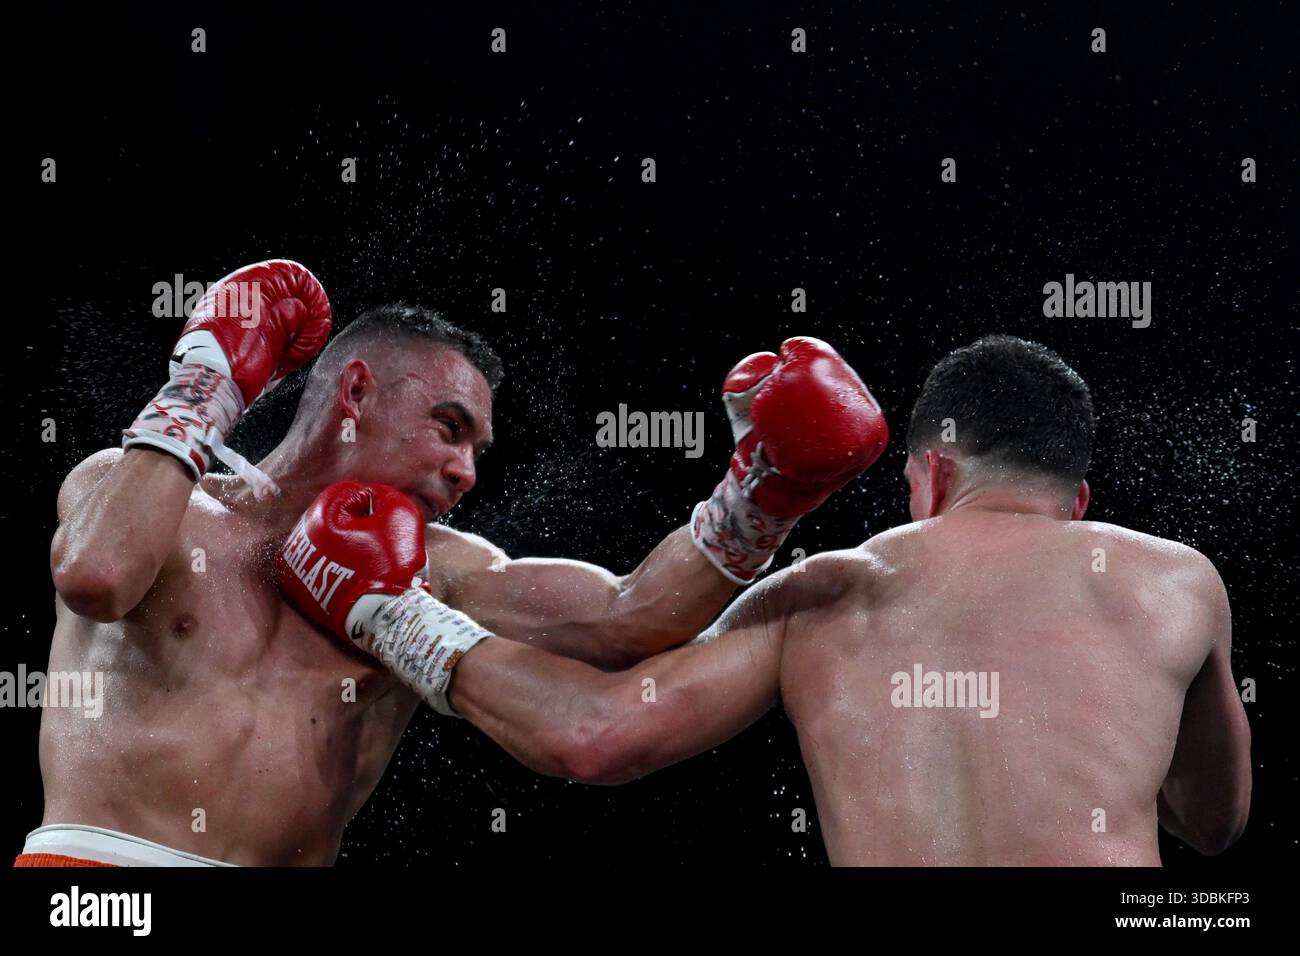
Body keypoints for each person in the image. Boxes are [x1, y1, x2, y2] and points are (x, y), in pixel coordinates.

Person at [26, 258, 887, 866]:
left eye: (480, 448)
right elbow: (97, 575)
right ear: (356, 394)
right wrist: (204, 388)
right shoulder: (156, 499)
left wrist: (760, 499)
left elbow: (632, 617)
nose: (467, 471)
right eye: (450, 426)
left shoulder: (434, 571)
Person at [294, 334, 1251, 865]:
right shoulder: (1175, 579)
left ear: (929, 476)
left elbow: (595, 734)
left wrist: (395, 613)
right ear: (1078, 500)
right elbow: (1214, 823)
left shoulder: (824, 590)